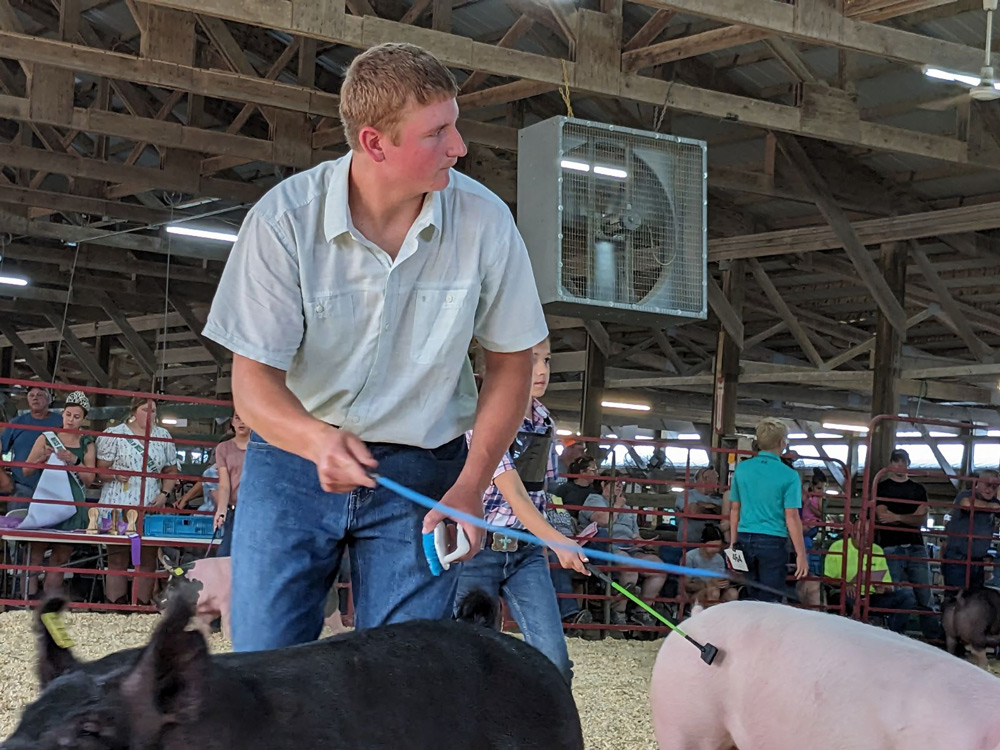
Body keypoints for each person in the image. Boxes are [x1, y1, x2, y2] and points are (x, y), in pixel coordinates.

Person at [201, 43, 548, 652]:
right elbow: (252, 383)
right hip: (291, 464)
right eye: (437, 132)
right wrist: (316, 441)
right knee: (264, 662)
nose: (459, 145)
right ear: (374, 142)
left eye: (455, 124)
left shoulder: (487, 221)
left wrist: (470, 486)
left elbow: (512, 362)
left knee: (407, 673)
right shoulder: (284, 221)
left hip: (427, 469)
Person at [454, 338, 589, 683]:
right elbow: (510, 488)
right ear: (493, 366)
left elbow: (538, 490)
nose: (542, 371)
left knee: (555, 662)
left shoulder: (543, 420)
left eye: (546, 360)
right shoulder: (479, 415)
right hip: (476, 550)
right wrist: (557, 541)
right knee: (471, 661)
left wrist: (556, 535)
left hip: (526, 551)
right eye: (531, 361)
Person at [96, 397, 179, 604]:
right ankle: (115, 604)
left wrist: (164, 494)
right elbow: (100, 470)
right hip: (117, 502)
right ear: (134, 411)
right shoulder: (115, 434)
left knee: (148, 556)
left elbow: (170, 470)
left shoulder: (163, 436)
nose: (150, 415)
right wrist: (115, 475)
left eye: (153, 411)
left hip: (150, 504)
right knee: (117, 556)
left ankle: (140, 605)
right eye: (145, 410)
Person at [22, 391, 96, 597]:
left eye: (76, 416)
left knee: (60, 557)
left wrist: (75, 460)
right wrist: (42, 460)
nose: (71, 420)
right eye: (68, 415)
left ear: (83, 419)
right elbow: (26, 470)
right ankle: (26, 602)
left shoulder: (87, 442)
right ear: (62, 414)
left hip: (74, 503)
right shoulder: (46, 438)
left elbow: (90, 479)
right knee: (35, 554)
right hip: (47, 501)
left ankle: (49, 601)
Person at [728, 418, 807, 602]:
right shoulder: (789, 475)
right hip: (772, 539)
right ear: (781, 443)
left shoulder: (742, 469)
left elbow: (734, 508)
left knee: (750, 595)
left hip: (744, 536)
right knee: (770, 599)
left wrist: (733, 544)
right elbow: (792, 516)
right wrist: (801, 554)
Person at [581, 472, 666, 632]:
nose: (620, 486)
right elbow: (604, 521)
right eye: (615, 483)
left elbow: (635, 534)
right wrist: (618, 505)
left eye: (622, 484)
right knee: (629, 566)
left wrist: (642, 542)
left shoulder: (628, 509)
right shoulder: (595, 500)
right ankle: (618, 612)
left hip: (630, 548)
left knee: (658, 567)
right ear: (603, 485)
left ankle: (641, 611)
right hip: (607, 547)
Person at [874, 449, 934, 619]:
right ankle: (897, 631)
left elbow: (922, 519)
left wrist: (897, 517)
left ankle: (932, 637)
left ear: (908, 464)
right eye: (896, 461)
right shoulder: (882, 487)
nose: (900, 465)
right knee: (895, 594)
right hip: (893, 546)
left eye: (903, 461)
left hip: (912, 546)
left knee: (924, 594)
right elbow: (882, 516)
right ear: (891, 464)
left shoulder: (918, 489)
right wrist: (911, 517)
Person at [824, 535, 916, 633]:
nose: (865, 537)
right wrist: (846, 584)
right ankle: (852, 632)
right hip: (848, 595)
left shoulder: (877, 550)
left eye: (868, 534)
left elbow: (888, 585)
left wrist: (884, 588)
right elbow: (827, 579)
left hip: (872, 596)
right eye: (862, 533)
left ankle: (894, 635)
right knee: (846, 599)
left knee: (907, 596)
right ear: (853, 531)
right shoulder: (838, 546)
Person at [1, 386, 63, 511]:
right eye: (31, 395)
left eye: (39, 395)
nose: (35, 398)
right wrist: (3, 479)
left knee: (51, 529)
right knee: (17, 527)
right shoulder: (16, 423)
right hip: (22, 488)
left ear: (49, 399)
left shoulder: (61, 422)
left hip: (55, 489)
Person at [941, 470, 1000, 593]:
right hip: (957, 558)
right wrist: (991, 507)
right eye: (987, 485)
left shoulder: (995, 503)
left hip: (977, 561)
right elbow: (966, 504)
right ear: (978, 483)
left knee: (974, 600)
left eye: (994, 487)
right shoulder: (965, 495)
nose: (990, 490)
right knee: (956, 598)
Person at [212, 413, 250, 557]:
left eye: (246, 418)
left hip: (255, 509)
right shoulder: (223, 448)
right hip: (235, 510)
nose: (242, 422)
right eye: (237, 418)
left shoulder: (261, 448)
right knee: (225, 554)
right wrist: (221, 511)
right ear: (232, 422)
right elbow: (224, 484)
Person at [682, 524, 737, 610]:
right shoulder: (690, 557)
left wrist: (725, 583)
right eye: (712, 546)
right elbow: (685, 586)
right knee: (713, 591)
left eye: (718, 547)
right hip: (697, 593)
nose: (716, 550)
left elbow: (721, 579)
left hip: (716, 592)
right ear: (703, 543)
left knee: (732, 593)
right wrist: (708, 584)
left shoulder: (719, 558)